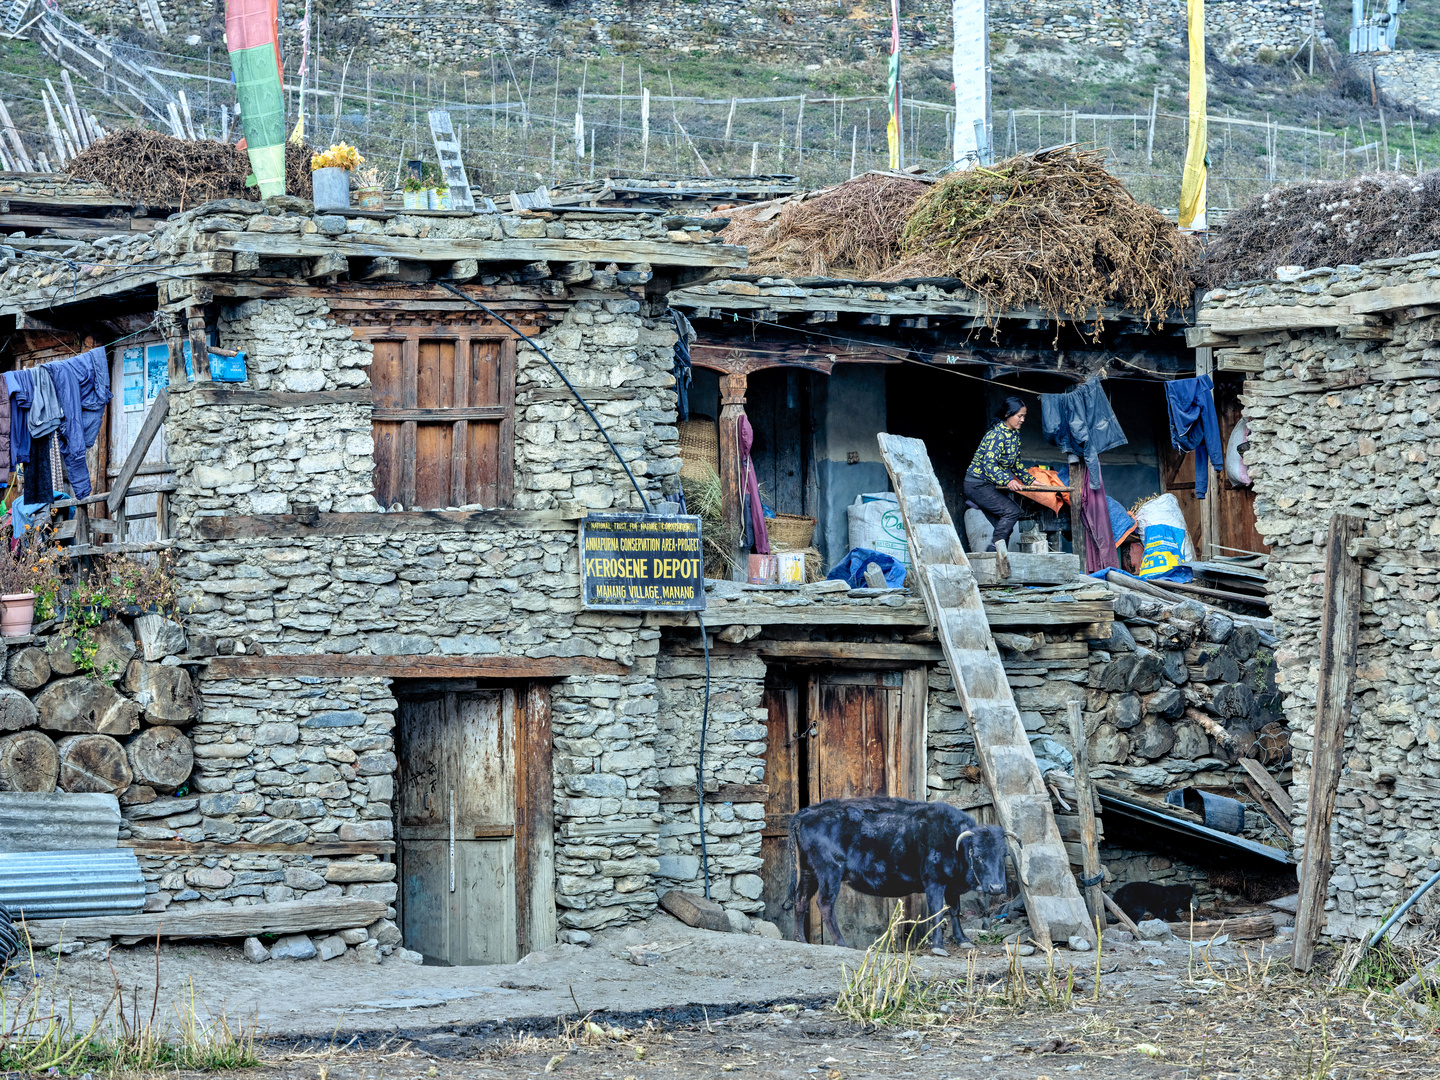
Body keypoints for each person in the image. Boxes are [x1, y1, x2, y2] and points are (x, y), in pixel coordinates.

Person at [964, 396, 1034, 552]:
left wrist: (1030, 480)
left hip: (988, 484)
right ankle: (993, 552)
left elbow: (1016, 463)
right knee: (1012, 511)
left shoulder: (1014, 435)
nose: (1022, 420)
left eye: (1024, 416)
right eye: (1019, 416)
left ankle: (999, 560)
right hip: (976, 484)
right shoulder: (996, 435)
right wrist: (1008, 480)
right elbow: (989, 465)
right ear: (1007, 415)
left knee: (1005, 527)